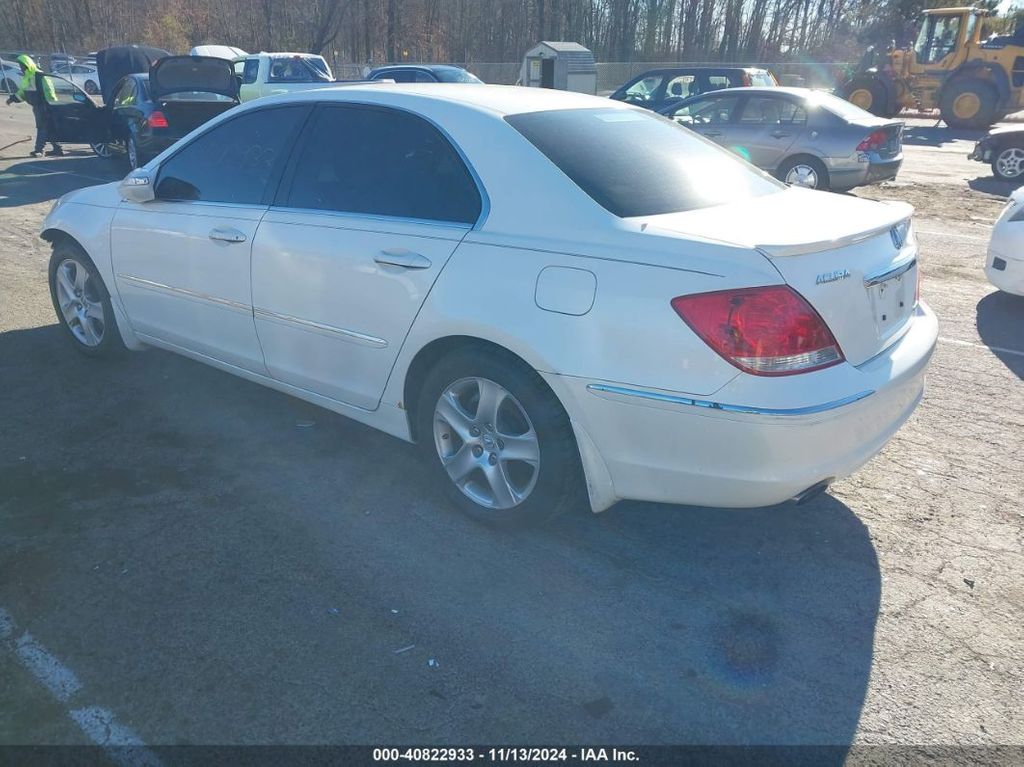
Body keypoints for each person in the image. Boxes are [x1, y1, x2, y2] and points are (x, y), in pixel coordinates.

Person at [5, 54, 63, 157]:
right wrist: (12, 99)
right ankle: (57, 149)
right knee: (48, 127)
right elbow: (22, 93)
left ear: (27, 65)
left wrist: (52, 104)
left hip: (44, 106)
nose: (21, 67)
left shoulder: (40, 76)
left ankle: (39, 150)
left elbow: (49, 90)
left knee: (42, 128)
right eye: (20, 65)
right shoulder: (27, 77)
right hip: (37, 106)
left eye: (22, 65)